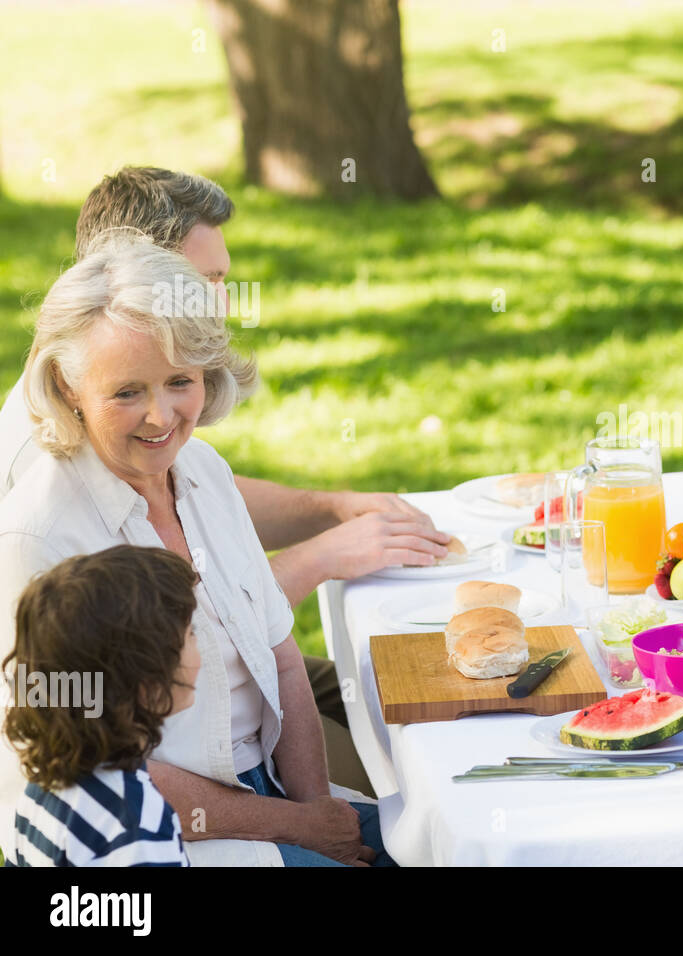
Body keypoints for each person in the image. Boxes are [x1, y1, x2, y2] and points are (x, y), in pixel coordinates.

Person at [0, 166, 449, 794]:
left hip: (247, 726)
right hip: (180, 802)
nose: (222, 305)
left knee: (428, 698)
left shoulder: (180, 448)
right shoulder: (40, 500)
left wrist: (331, 508)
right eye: (203, 284)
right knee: (408, 758)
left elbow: (260, 628)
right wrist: (319, 557)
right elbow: (93, 763)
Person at [4, 546, 200, 866]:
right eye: (191, 634)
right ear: (146, 684)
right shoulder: (138, 828)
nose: (198, 645)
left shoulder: (45, 785)